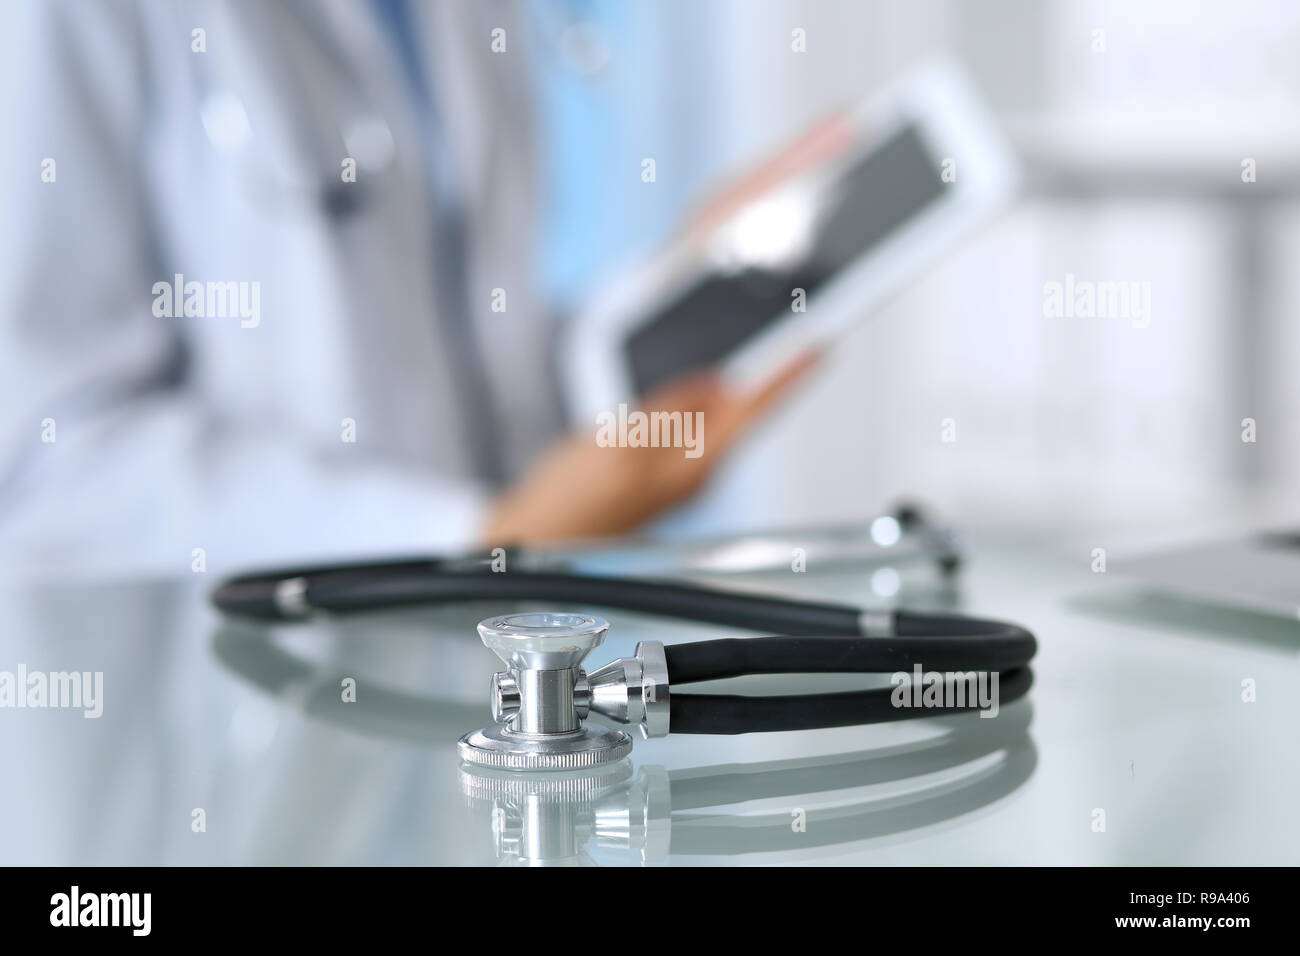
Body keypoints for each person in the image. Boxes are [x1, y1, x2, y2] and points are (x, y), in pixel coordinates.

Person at [0, 0, 813, 577]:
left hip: (449, 677)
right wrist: (474, 538)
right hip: (219, 732)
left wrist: (679, 287)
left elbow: (469, 360)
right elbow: (48, 460)